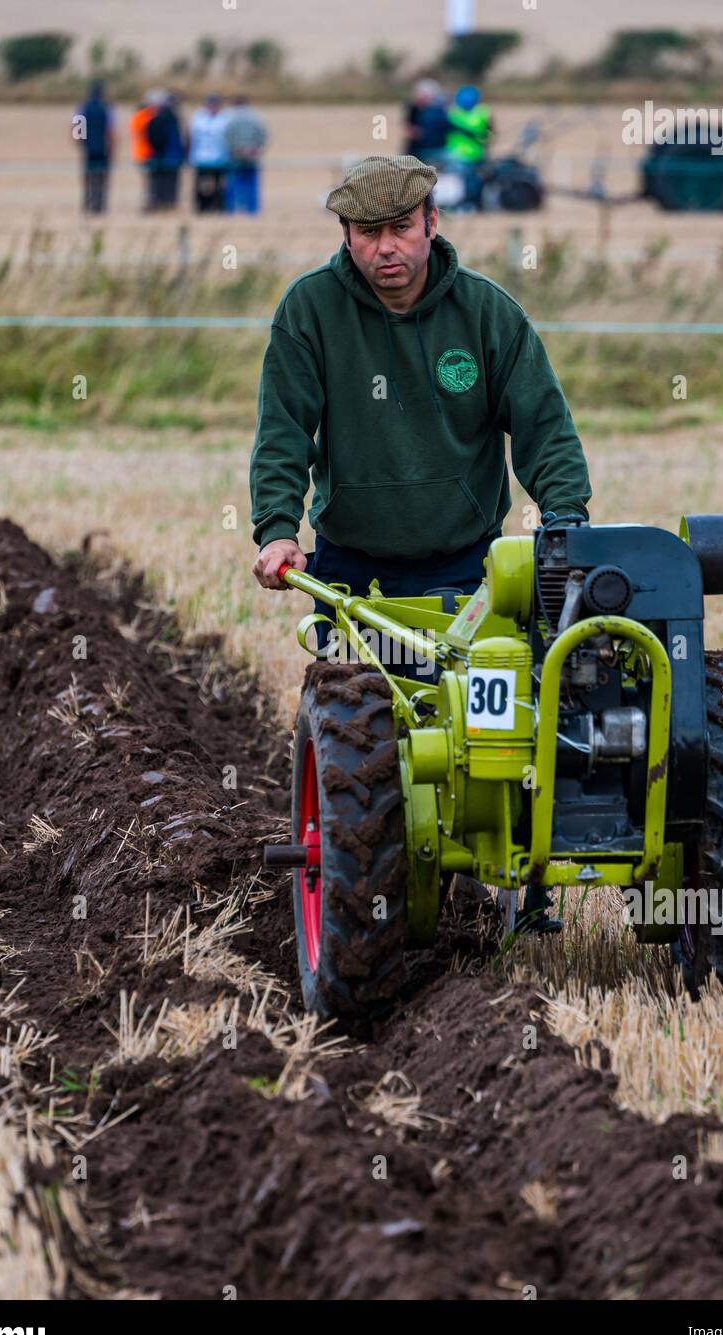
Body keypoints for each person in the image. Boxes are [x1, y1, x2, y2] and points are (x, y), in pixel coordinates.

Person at [250, 156, 587, 929]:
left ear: (432, 224)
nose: (386, 249)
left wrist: (564, 516)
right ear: (346, 236)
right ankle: (366, 893)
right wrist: (276, 529)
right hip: (353, 575)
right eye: (367, 233)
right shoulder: (309, 312)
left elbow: (545, 430)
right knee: (367, 742)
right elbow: (282, 434)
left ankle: (524, 887)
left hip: (467, 568)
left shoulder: (486, 314)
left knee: (502, 723)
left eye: (401, 228)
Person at [445, 84, 494, 209]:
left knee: (464, 183)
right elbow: (490, 133)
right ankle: (472, 203)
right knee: (472, 182)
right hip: (473, 154)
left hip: (458, 155)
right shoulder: (484, 112)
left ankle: (465, 204)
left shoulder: (452, 113)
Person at [222, 96, 268, 214]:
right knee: (252, 184)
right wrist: (255, 149)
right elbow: (263, 136)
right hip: (252, 156)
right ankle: (252, 209)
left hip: (235, 156)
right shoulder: (256, 118)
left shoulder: (230, 118)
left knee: (234, 183)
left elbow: (226, 136)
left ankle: (232, 208)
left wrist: (236, 149)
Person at [74, 81, 114, 214]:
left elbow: (76, 130)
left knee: (88, 176)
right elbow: (110, 131)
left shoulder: (82, 107)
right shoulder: (107, 108)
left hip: (88, 147)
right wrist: (112, 147)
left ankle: (88, 202)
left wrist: (81, 144)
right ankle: (99, 204)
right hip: (103, 147)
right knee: (102, 177)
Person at [189, 94, 229, 212]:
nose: (213, 107)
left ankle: (218, 207)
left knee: (219, 185)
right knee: (201, 185)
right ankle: (201, 208)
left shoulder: (224, 119)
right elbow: (191, 138)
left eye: (216, 105)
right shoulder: (198, 118)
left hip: (220, 158)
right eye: (211, 105)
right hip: (201, 157)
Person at [147, 91, 186, 209]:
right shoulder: (171, 118)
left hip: (161, 155)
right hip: (169, 156)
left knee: (158, 183)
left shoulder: (157, 117)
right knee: (169, 183)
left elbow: (151, 135)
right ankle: (167, 204)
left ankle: (159, 203)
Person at [403, 78, 450, 162]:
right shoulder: (414, 110)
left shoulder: (439, 110)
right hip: (419, 151)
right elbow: (410, 129)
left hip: (438, 150)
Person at [130, 90, 159, 212]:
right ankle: (149, 204)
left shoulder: (143, 115)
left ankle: (152, 202)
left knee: (152, 181)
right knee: (149, 182)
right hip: (145, 154)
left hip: (147, 153)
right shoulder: (143, 116)